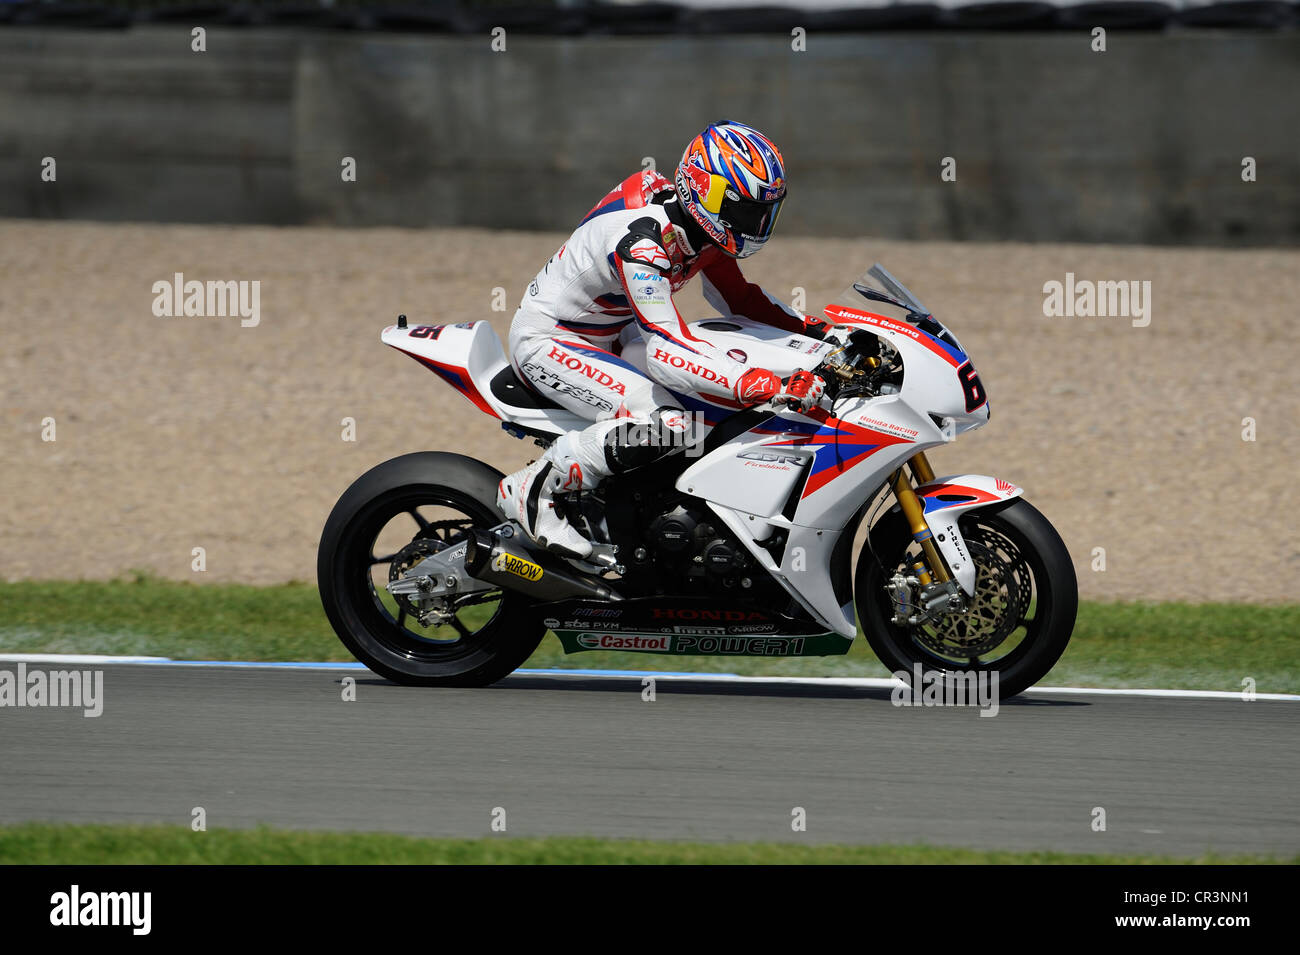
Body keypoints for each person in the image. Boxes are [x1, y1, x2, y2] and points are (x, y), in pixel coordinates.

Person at [497, 120, 833, 558]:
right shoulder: (643, 246)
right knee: (674, 424)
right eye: (747, 210)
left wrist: (823, 333)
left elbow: (741, 299)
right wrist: (767, 384)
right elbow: (665, 352)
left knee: (709, 398)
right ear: (706, 193)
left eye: (764, 212)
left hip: (612, 332)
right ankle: (535, 489)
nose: (756, 223)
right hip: (550, 340)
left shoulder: (701, 231)